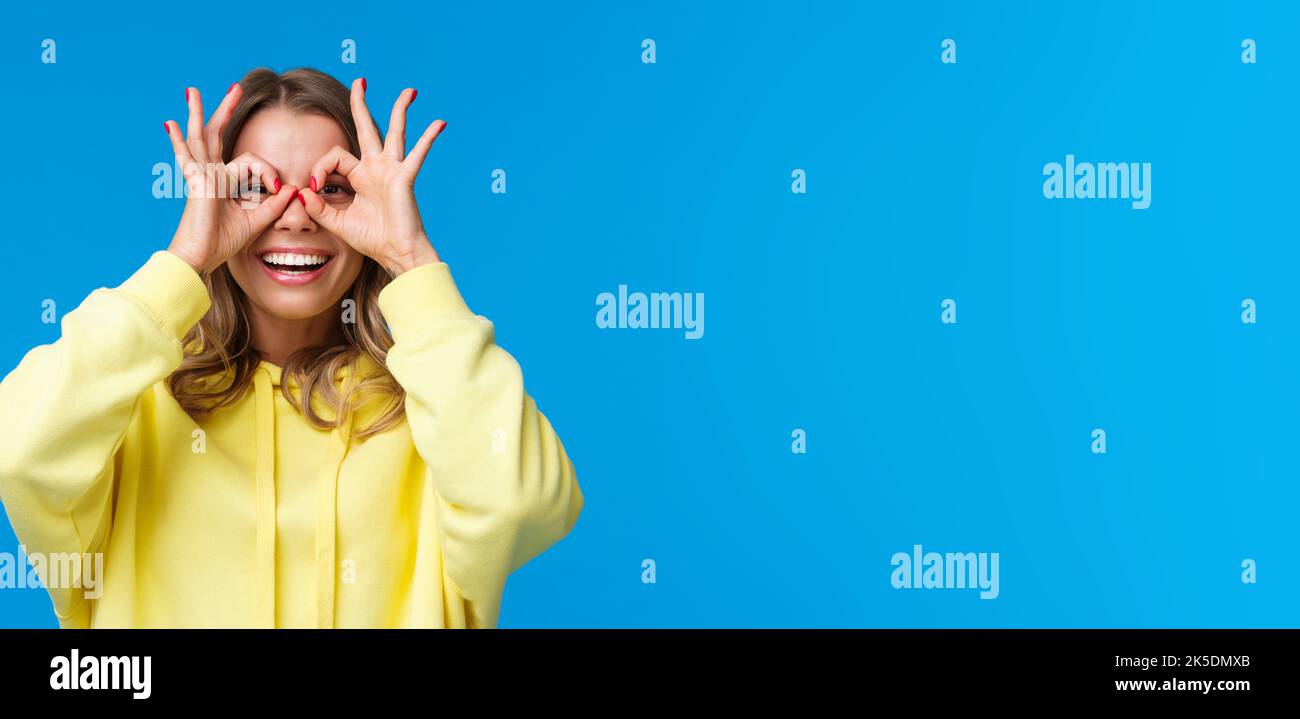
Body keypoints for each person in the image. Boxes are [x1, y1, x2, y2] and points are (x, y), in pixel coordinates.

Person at [0, 67, 583, 628]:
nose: (299, 217)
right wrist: (185, 260)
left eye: (333, 189)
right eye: (257, 188)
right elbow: (19, 451)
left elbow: (522, 506)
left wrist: (410, 258)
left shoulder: (434, 414)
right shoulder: (130, 410)